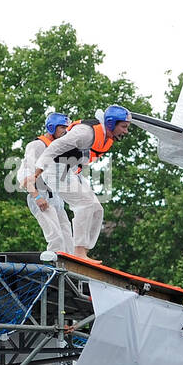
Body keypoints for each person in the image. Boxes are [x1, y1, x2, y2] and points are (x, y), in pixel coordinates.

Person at [32, 105, 132, 260]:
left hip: (69, 171)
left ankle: (83, 250)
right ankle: (78, 251)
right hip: (53, 170)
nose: (126, 131)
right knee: (84, 204)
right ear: (111, 123)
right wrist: (39, 168)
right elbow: (56, 146)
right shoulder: (86, 132)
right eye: (124, 127)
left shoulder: (106, 137)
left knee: (97, 208)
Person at [21, 112, 74, 255]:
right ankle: (55, 271)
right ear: (52, 127)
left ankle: (72, 271)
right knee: (56, 238)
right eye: (62, 127)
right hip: (40, 194)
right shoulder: (37, 145)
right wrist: (37, 197)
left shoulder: (60, 148)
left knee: (68, 238)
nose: (66, 131)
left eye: (67, 128)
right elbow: (25, 176)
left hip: (56, 197)